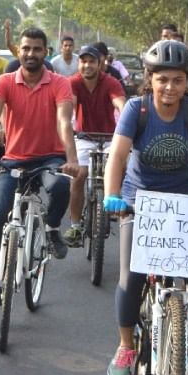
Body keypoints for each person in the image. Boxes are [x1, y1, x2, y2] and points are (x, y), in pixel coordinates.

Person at [102, 39, 188, 375]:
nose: (170, 87)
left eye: (177, 80)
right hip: (138, 200)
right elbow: (117, 156)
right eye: (162, 80)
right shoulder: (136, 109)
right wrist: (112, 194)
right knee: (131, 277)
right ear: (150, 78)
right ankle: (126, 345)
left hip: (183, 198)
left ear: (186, 80)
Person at [0, 27, 82, 312]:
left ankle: (52, 228)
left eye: (37, 49)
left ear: (45, 52)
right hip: (14, 159)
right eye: (26, 48)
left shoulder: (60, 84)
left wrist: (72, 158)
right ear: (20, 50)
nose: (30, 54)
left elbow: (65, 122)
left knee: (62, 185)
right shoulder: (3, 82)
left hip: (50, 158)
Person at [64, 45, 126, 247]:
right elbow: (69, 107)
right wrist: (67, 124)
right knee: (79, 176)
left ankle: (115, 203)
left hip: (110, 137)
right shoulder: (73, 82)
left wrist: (128, 123)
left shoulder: (111, 82)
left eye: (92, 61)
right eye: (83, 61)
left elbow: (121, 105)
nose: (87, 65)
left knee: (120, 167)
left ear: (100, 64)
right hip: (83, 136)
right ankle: (75, 225)